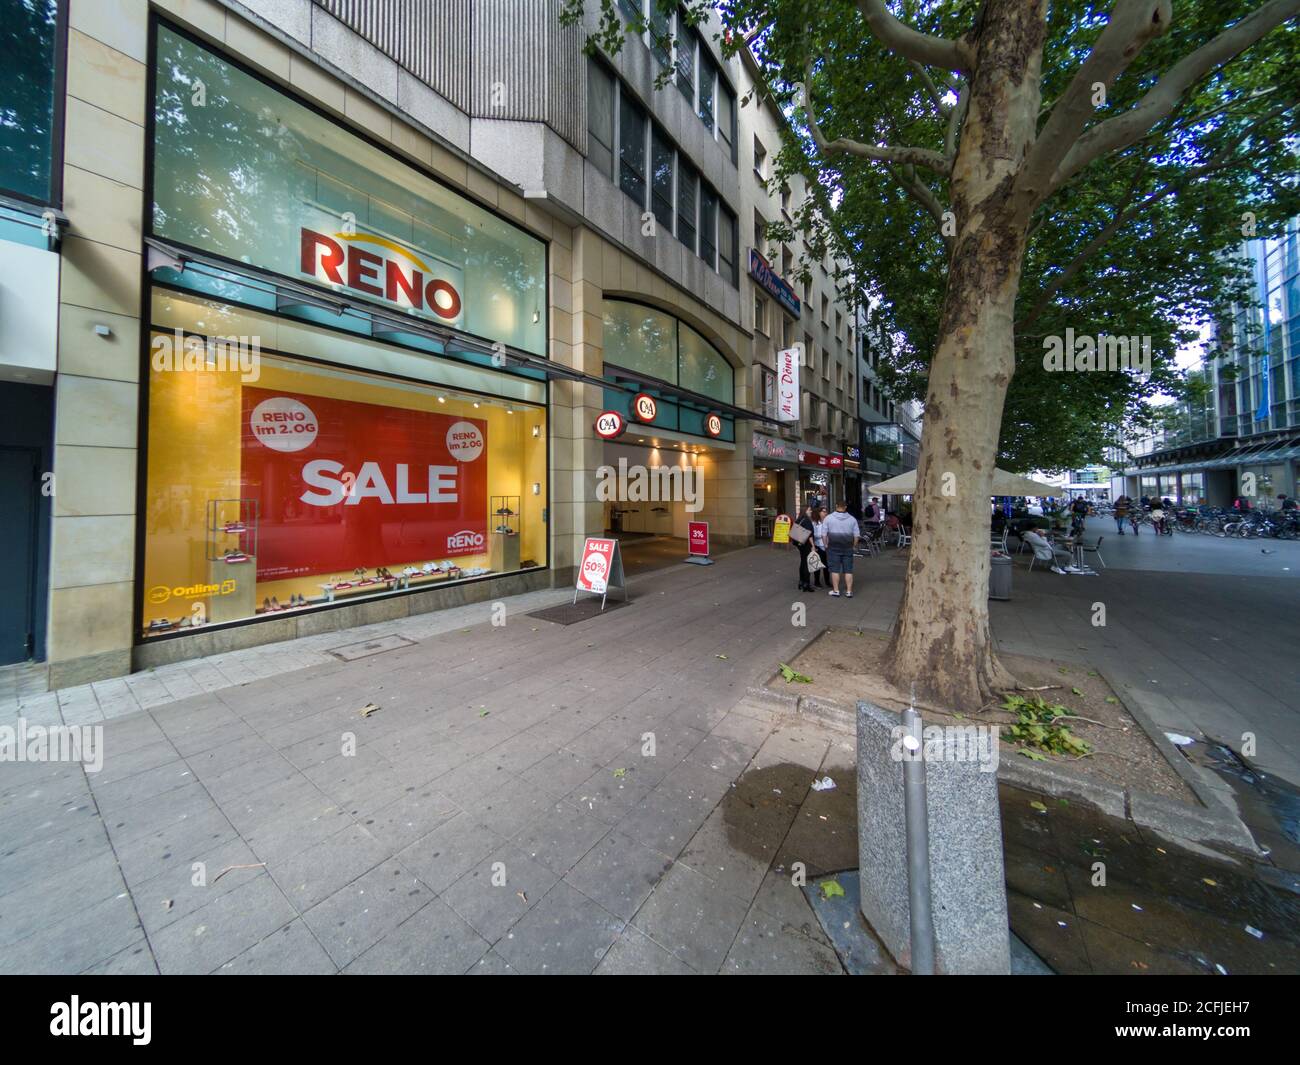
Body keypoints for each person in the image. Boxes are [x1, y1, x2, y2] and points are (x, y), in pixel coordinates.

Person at [823, 500, 861, 597]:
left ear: (836, 506)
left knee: (835, 570)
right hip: (848, 547)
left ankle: (836, 591)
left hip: (833, 547)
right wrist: (854, 545)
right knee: (848, 570)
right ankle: (849, 591)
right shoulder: (852, 519)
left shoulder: (828, 518)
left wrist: (825, 544)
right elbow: (857, 535)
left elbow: (824, 534)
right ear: (845, 507)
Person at [794, 505, 816, 592]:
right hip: (806, 544)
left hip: (800, 544)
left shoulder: (799, 519)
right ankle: (806, 584)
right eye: (809, 510)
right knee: (807, 564)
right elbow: (809, 535)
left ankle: (801, 582)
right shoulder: (807, 520)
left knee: (803, 562)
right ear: (805, 511)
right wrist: (813, 546)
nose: (811, 511)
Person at [811, 506, 830, 588]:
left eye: (826, 511)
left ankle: (827, 581)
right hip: (818, 545)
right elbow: (813, 535)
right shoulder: (815, 523)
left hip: (828, 546)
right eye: (823, 511)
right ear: (819, 513)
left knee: (827, 565)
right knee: (817, 565)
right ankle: (817, 582)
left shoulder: (828, 522)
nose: (825, 513)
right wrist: (823, 535)